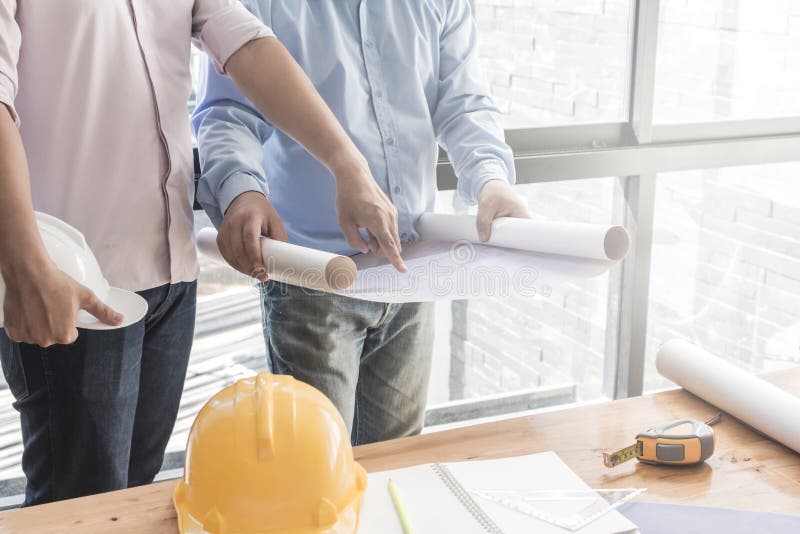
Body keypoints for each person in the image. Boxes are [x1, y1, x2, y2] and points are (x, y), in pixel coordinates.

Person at [0, 0, 400, 505]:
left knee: (134, 494)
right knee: (78, 502)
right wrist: (24, 264)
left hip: (169, 273)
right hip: (71, 282)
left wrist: (348, 164)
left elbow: (246, 45)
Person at [194, 0, 528, 446]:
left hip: (410, 270)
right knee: (316, 466)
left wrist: (490, 179)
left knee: (397, 462)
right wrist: (242, 191)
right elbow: (227, 114)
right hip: (312, 277)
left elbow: (463, 100)